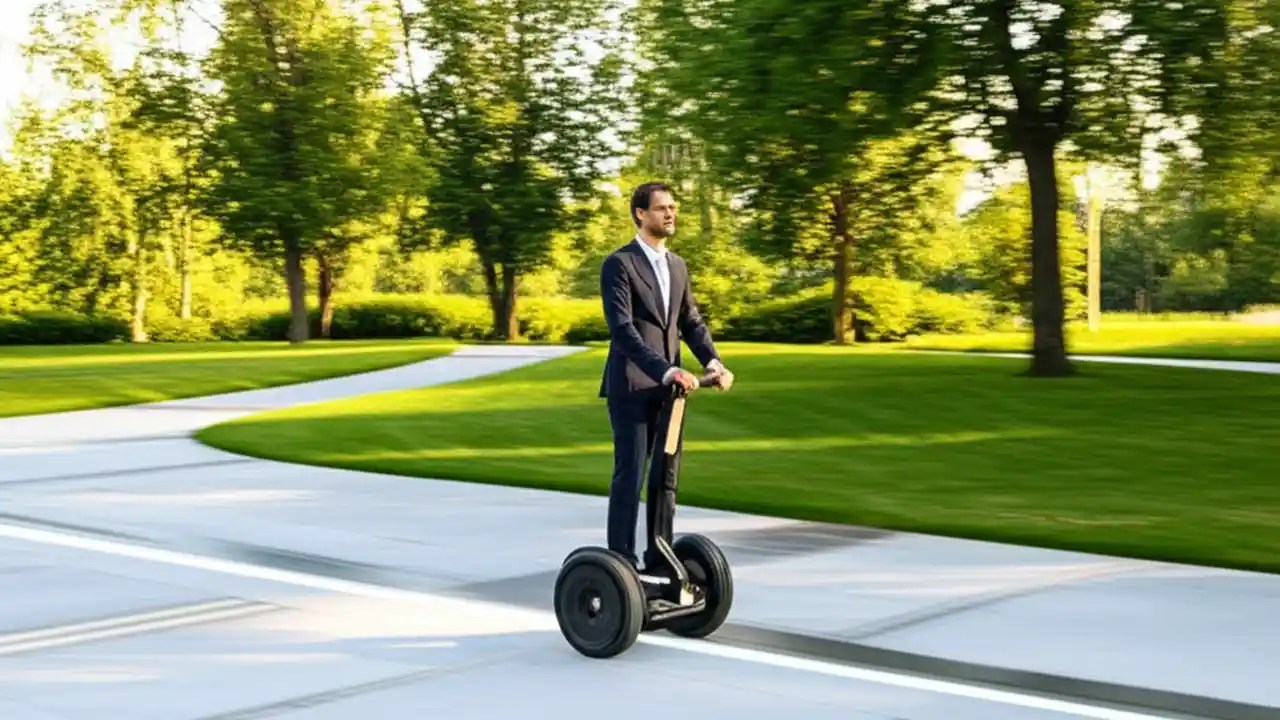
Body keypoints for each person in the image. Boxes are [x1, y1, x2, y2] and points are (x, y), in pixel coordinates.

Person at [597, 181, 733, 571]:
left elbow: (690, 321)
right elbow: (623, 330)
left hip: (672, 393)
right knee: (631, 473)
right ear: (641, 214)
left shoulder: (677, 265)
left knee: (666, 477)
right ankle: (621, 561)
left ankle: (659, 556)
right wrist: (666, 368)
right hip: (633, 386)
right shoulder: (619, 264)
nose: (670, 214)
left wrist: (712, 362)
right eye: (661, 208)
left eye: (673, 207)